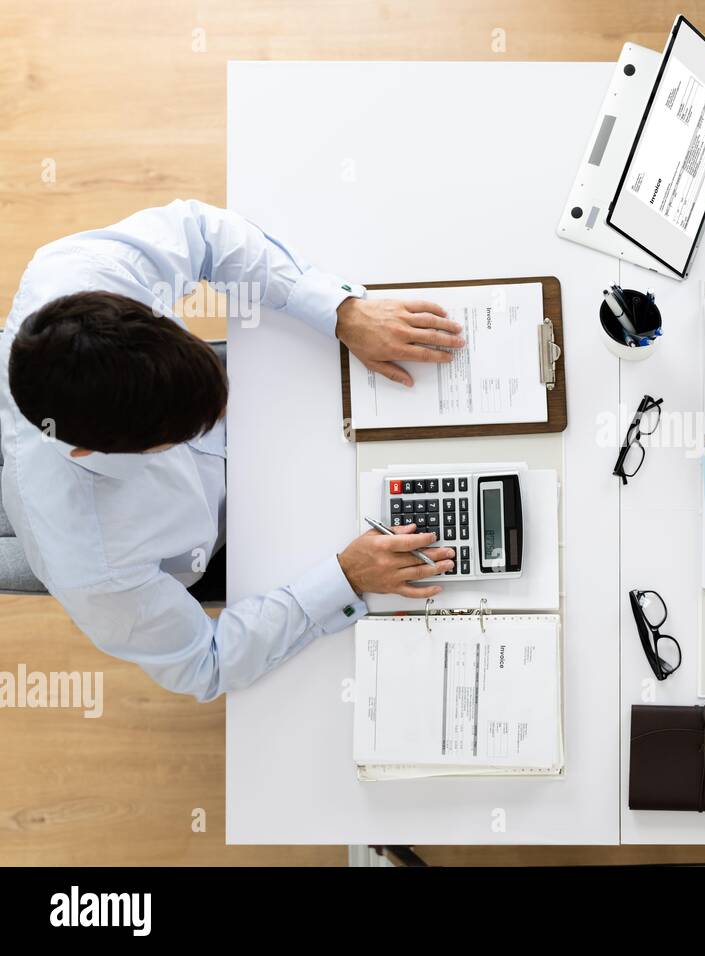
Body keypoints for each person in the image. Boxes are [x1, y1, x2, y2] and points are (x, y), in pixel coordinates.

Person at [0, 200, 464, 701]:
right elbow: (206, 664)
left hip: (288, 402)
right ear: (92, 452)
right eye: (193, 427)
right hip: (238, 541)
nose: (224, 415)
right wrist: (345, 577)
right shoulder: (95, 565)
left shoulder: (76, 273)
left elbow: (201, 234)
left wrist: (339, 309)